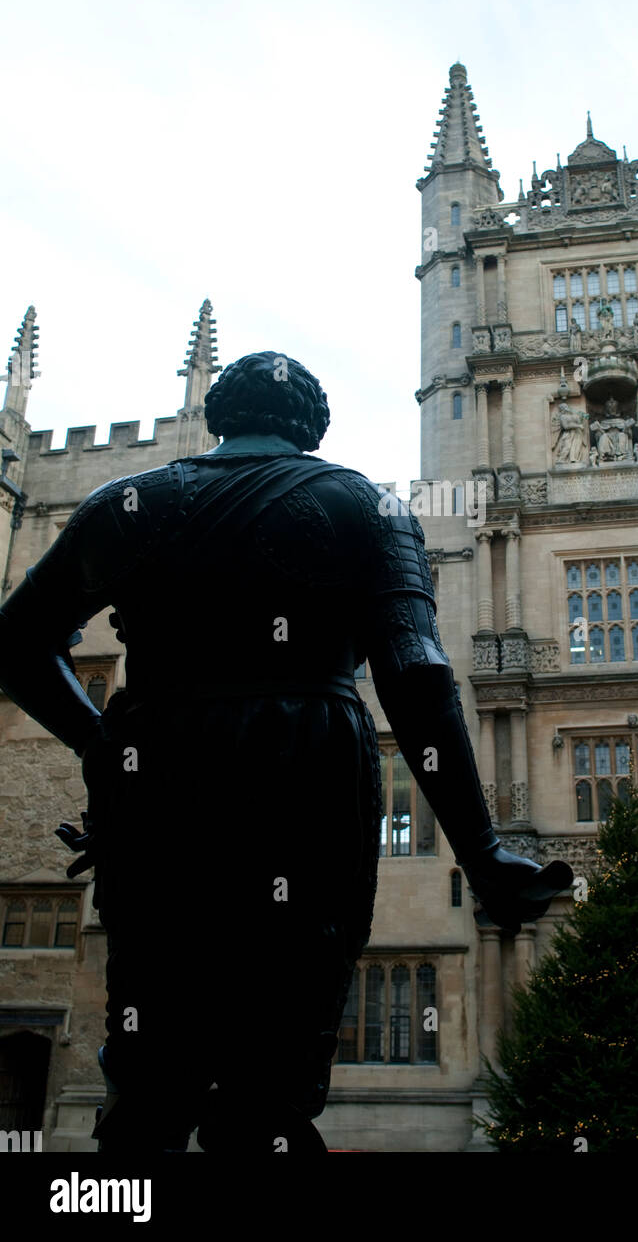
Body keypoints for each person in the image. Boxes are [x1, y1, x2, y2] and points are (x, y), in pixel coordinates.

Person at [0, 351, 571, 1154]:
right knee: (276, 1067)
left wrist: (102, 747)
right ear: (314, 428)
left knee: (150, 1068)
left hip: (160, 772)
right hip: (308, 769)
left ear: (219, 415)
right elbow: (418, 674)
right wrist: (480, 849)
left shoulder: (127, 503)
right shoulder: (365, 507)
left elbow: (17, 646)